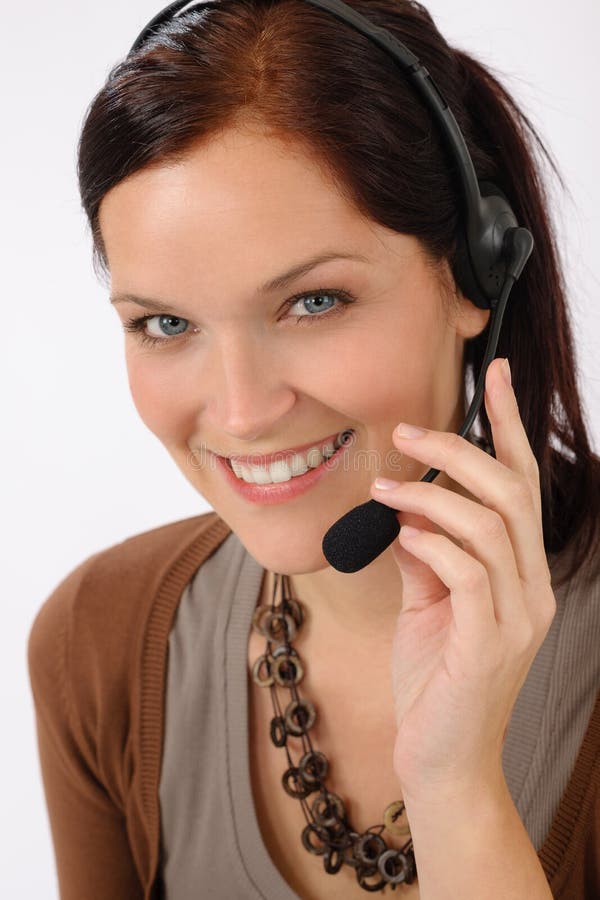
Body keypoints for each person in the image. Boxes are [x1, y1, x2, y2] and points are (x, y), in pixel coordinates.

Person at [27, 1, 600, 898]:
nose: (244, 412)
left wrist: (457, 791)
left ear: (477, 275)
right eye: (166, 323)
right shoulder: (95, 640)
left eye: (315, 302)